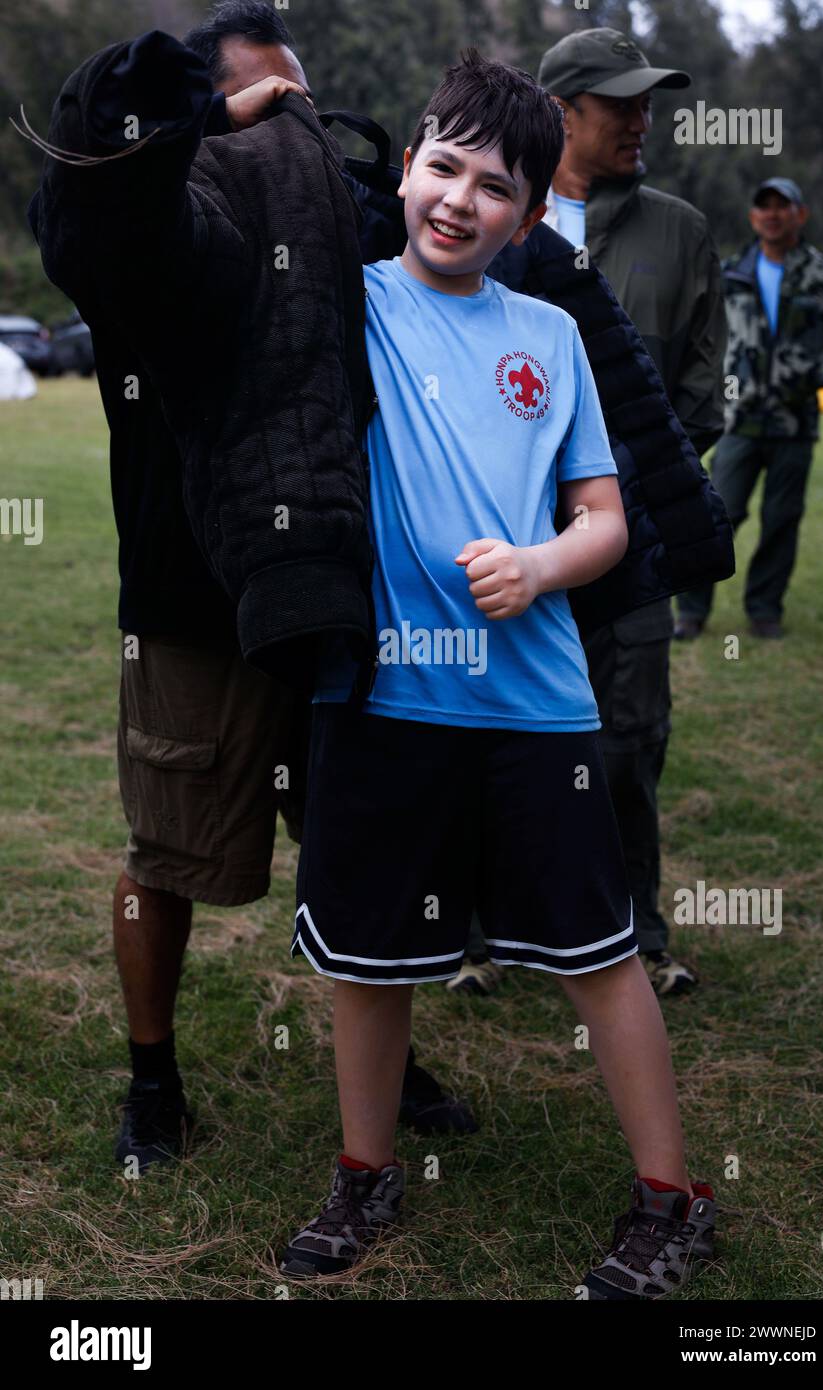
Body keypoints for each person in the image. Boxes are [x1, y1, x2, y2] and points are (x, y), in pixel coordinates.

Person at [279, 50, 717, 1299]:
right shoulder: (342, 301)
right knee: (367, 960)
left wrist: (537, 567)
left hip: (534, 707)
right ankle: (365, 1173)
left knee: (600, 952)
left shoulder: (550, 334)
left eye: (492, 187)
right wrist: (258, 101)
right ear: (408, 165)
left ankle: (670, 1197)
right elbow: (230, 213)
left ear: (530, 215)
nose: (458, 201)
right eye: (441, 167)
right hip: (384, 699)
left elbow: (606, 518)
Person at [27, 0, 477, 1173]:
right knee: (165, 855)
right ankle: (152, 1083)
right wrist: (197, 118)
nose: (295, 131)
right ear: (207, 114)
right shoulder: (147, 226)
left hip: (334, 590)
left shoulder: (340, 222)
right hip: (187, 603)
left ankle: (388, 1055)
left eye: (305, 106)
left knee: (358, 846)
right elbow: (83, 199)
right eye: (265, 107)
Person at [454, 27, 728, 1000]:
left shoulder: (680, 230)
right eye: (621, 103)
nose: (640, 119)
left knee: (627, 735)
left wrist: (634, 479)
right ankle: (481, 936)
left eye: (648, 102)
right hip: (506, 534)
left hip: (632, 532)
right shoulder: (489, 217)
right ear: (562, 110)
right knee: (494, 728)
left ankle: (634, 931)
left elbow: (703, 380)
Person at [676, 177, 823, 640]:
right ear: (753, 216)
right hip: (738, 421)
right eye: (764, 206)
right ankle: (692, 612)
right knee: (717, 514)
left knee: (782, 520)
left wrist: (810, 377)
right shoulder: (731, 271)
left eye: (783, 206)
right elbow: (707, 338)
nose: (773, 214)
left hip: (795, 423)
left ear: (800, 214)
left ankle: (764, 611)